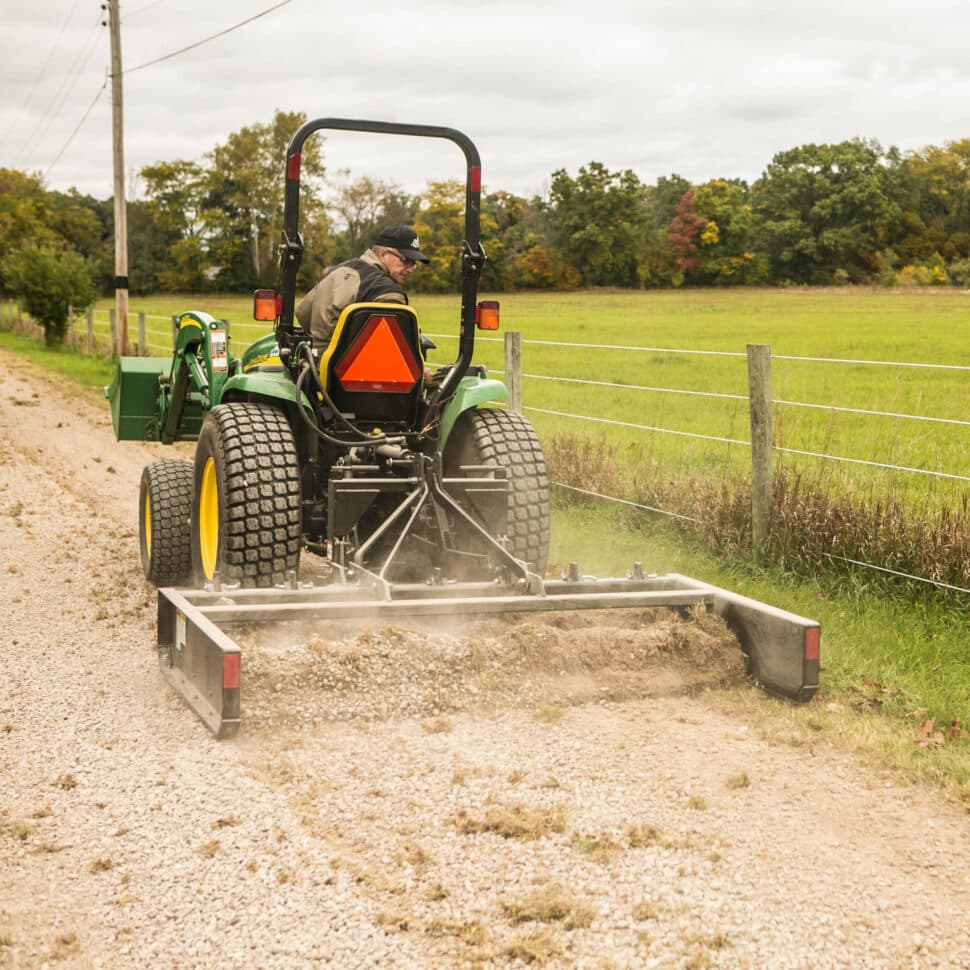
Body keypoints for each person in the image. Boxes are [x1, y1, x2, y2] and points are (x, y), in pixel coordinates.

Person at [295, 224, 430, 346]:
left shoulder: (336, 271)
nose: (411, 268)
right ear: (383, 253)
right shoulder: (388, 292)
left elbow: (303, 315)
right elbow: (392, 348)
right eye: (406, 260)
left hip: (313, 365)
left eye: (414, 263)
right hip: (354, 372)